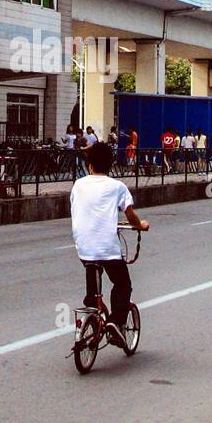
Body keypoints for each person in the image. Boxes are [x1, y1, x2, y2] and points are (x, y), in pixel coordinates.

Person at [71, 142, 149, 351]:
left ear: (89, 165)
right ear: (111, 164)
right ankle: (115, 321)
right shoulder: (117, 187)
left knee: (92, 274)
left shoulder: (78, 185)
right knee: (123, 284)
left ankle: (92, 306)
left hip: (83, 247)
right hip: (107, 248)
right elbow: (130, 214)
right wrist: (140, 225)